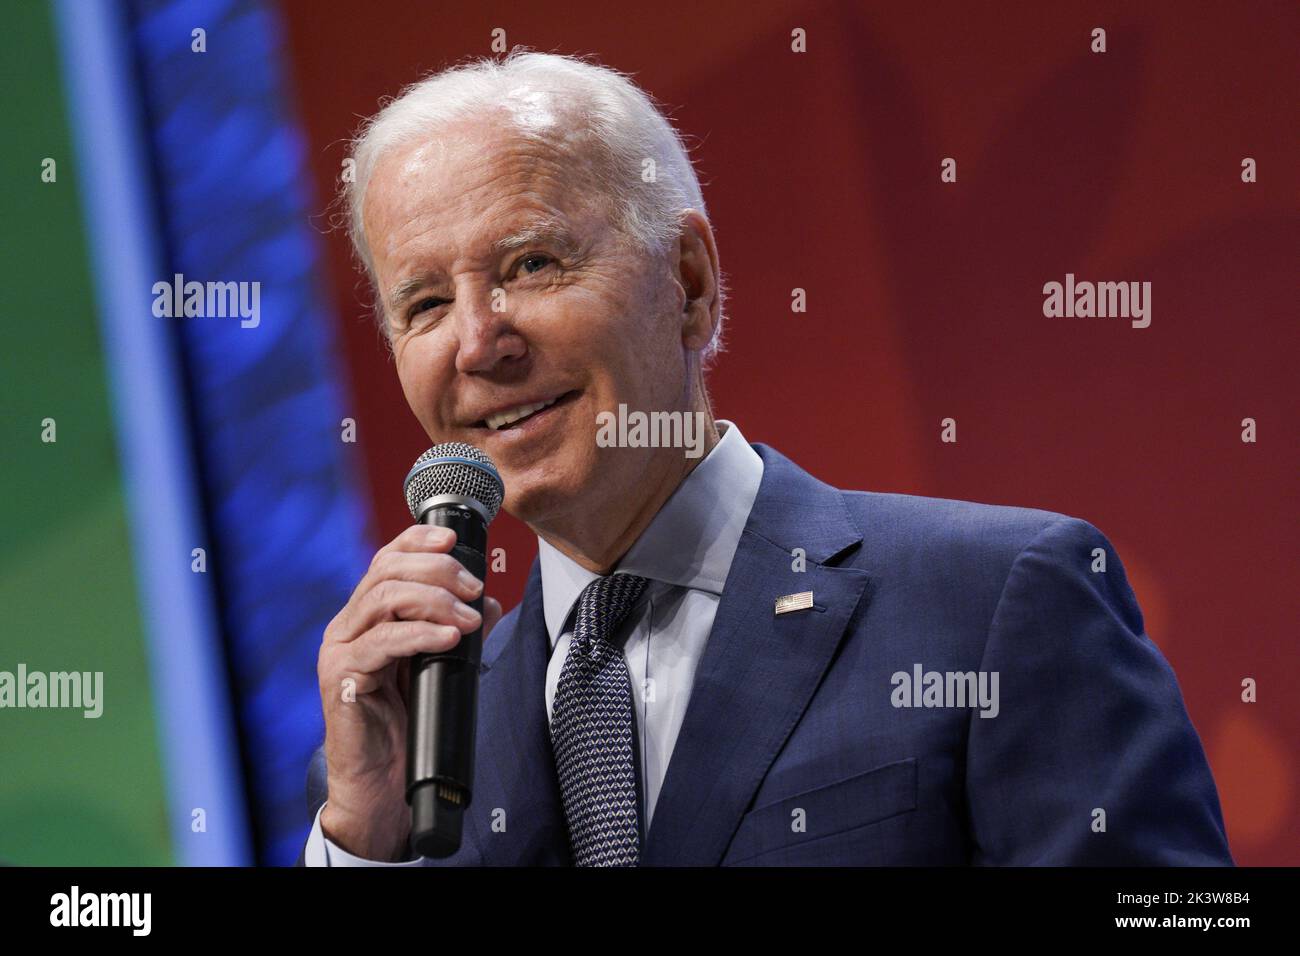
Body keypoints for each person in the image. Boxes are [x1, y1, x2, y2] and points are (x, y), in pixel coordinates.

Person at [297, 50, 1231, 866]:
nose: (477, 342)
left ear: (689, 283)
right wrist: (363, 850)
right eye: (422, 305)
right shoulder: (411, 751)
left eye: (532, 265)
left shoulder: (998, 602)